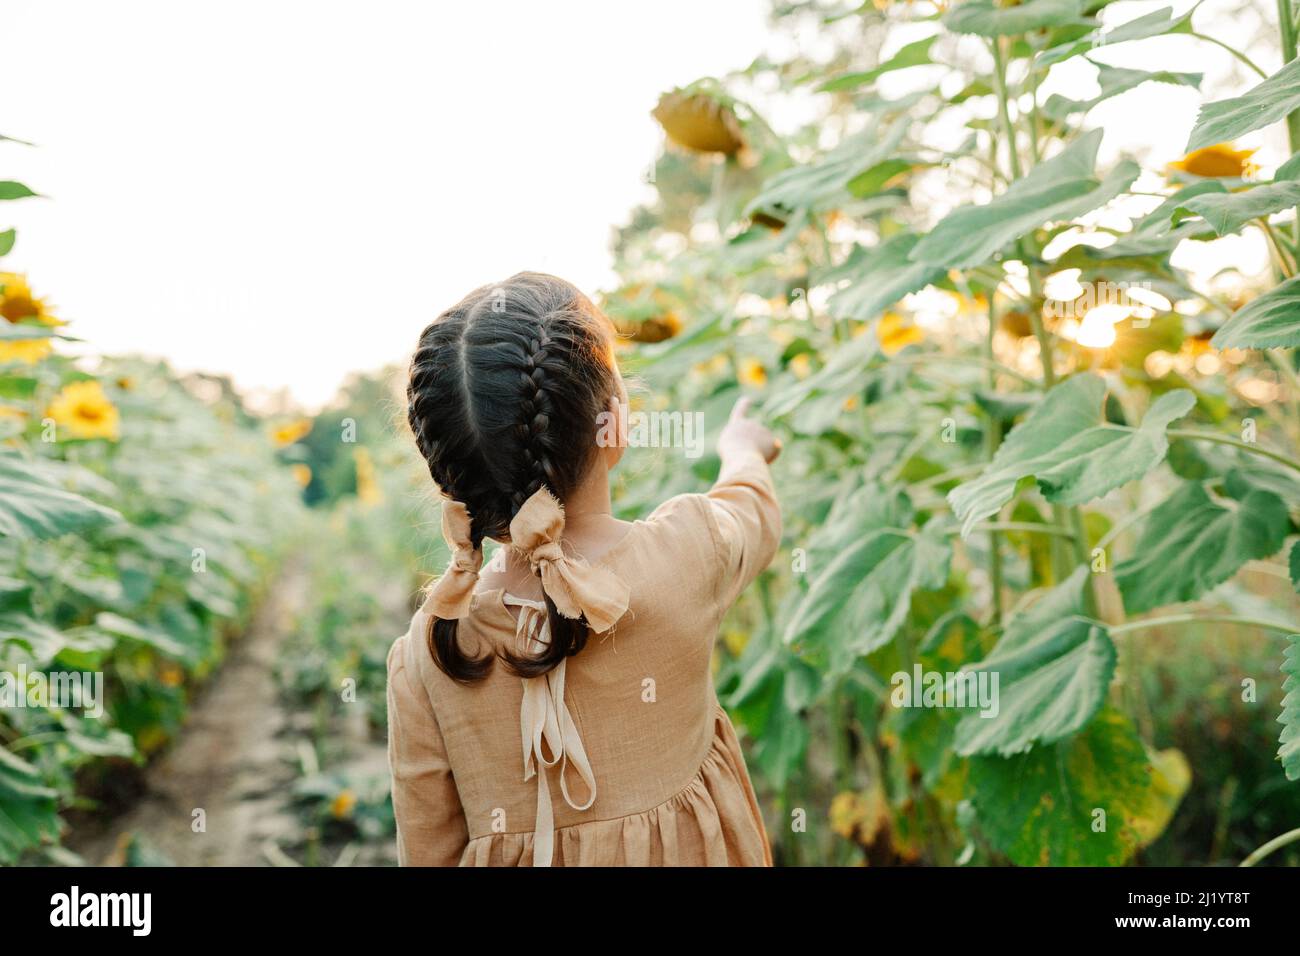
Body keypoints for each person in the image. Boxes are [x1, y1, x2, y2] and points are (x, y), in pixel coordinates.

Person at [388, 271, 782, 866]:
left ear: (450, 477)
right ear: (614, 422)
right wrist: (743, 452)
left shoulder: (429, 647)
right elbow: (749, 514)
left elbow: (429, 846)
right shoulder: (686, 551)